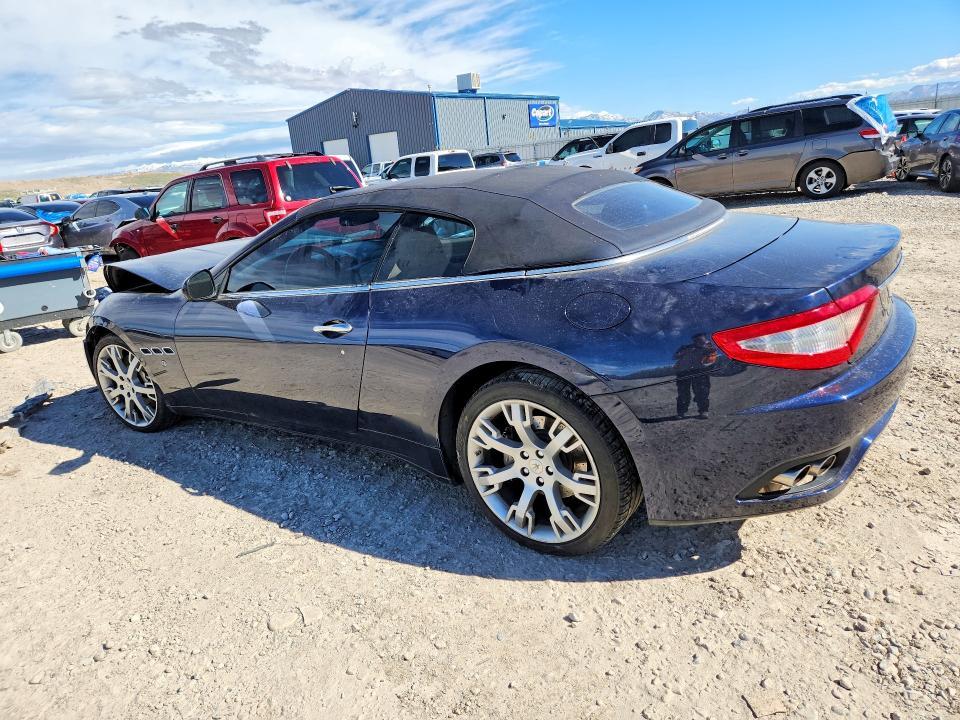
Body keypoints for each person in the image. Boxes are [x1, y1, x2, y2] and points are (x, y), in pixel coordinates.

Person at [673, 334, 718, 419]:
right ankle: (681, 412)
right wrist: (686, 352)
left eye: (701, 340)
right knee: (683, 392)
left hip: (699, 370)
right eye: (697, 339)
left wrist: (709, 351)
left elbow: (713, 355)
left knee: (702, 390)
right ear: (694, 340)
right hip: (683, 371)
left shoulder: (707, 347)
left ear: (704, 340)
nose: (699, 341)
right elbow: (675, 356)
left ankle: (703, 410)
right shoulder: (685, 347)